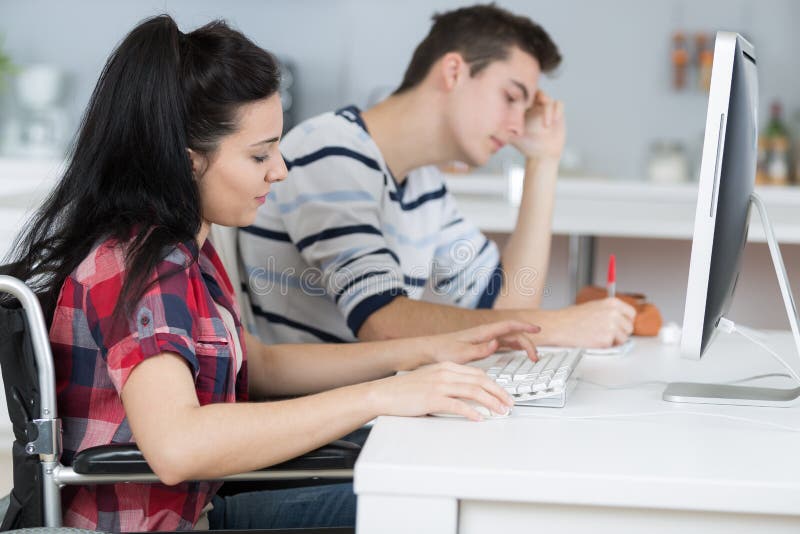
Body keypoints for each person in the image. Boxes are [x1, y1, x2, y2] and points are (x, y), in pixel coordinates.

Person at [1, 15, 538, 532]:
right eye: (260, 155)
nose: (280, 170)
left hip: (199, 512)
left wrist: (422, 355)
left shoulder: (188, 248)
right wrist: (382, 397)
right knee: (427, 507)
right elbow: (178, 446)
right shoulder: (138, 265)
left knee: (423, 497)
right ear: (189, 162)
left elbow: (264, 364)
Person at [240, 3, 636, 350]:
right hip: (338, 428)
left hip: (379, 410)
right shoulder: (331, 150)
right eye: (511, 97)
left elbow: (506, 306)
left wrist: (543, 161)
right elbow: (383, 323)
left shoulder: (422, 182)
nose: (518, 125)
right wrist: (560, 324)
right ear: (454, 71)